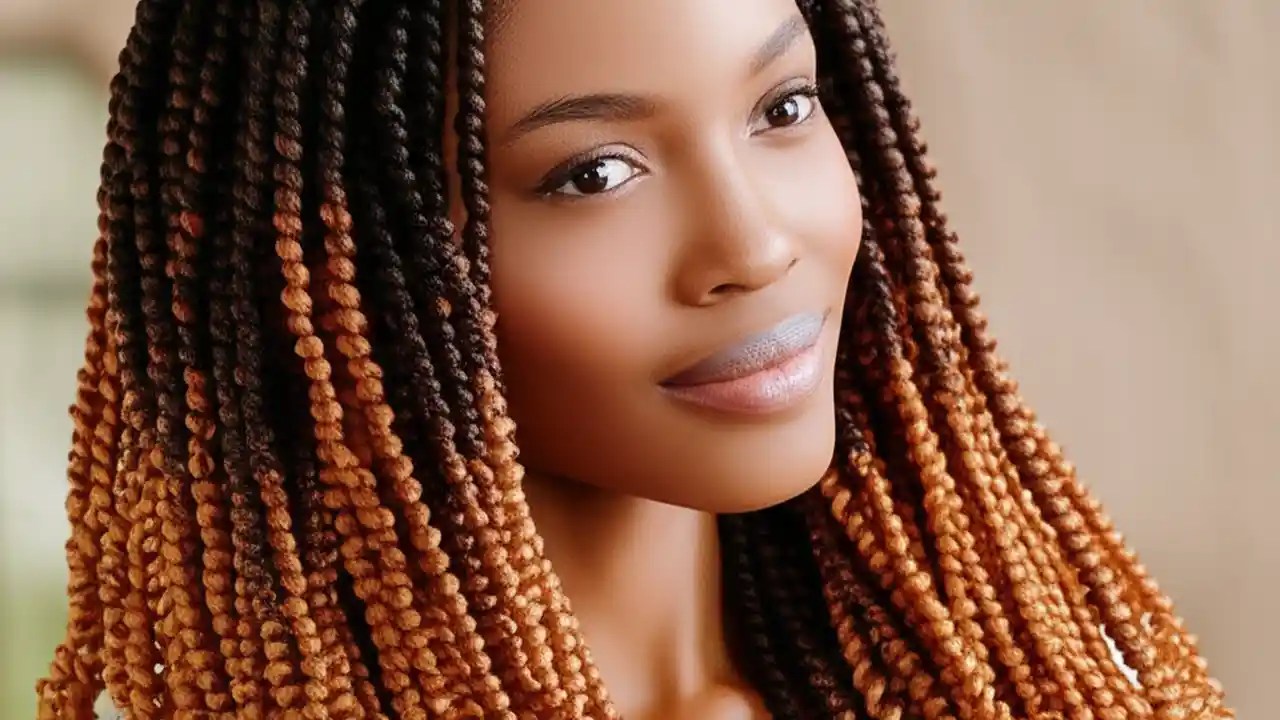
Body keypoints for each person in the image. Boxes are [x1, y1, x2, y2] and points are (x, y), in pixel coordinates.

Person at [34, 0, 1232, 718]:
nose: (753, 247)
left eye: (780, 109)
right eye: (593, 174)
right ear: (325, 258)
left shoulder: (1045, 681)